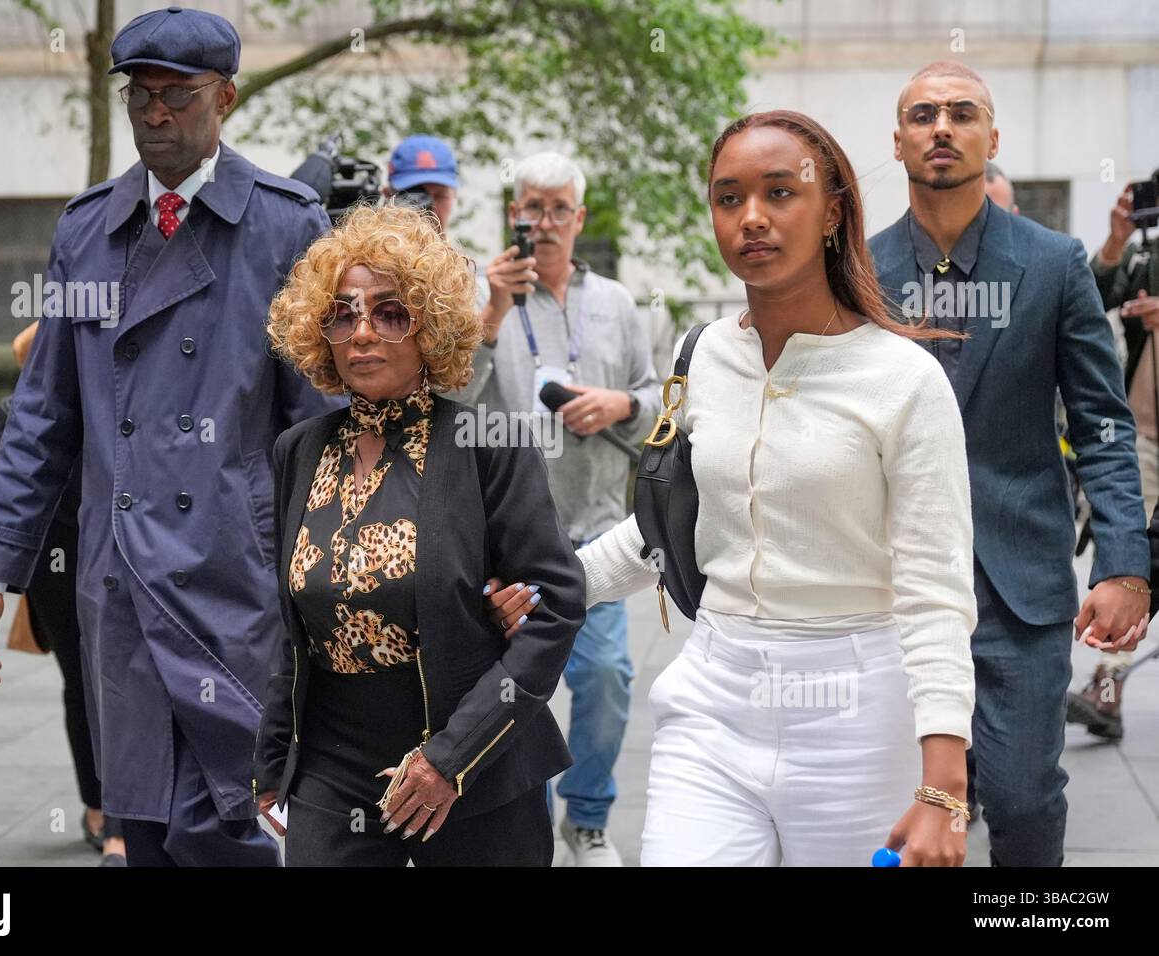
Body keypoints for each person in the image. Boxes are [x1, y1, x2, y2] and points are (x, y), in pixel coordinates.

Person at [529, 109, 973, 866]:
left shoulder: (904, 380)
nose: (752, 218)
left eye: (779, 193)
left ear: (832, 212)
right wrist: (547, 590)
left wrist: (943, 786)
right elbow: (671, 525)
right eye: (729, 198)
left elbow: (936, 589)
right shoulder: (701, 354)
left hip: (857, 716)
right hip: (714, 700)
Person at [0, 6, 334, 867]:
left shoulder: (286, 226)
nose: (156, 116)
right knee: (147, 824)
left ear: (226, 99)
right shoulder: (87, 231)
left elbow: (318, 428)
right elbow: (43, 414)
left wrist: (333, 579)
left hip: (235, 581)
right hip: (120, 584)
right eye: (141, 97)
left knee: (232, 823)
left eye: (178, 96)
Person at [869, 60, 1152, 866]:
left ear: (993, 135)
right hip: (887, 583)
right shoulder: (857, 270)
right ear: (899, 142)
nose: (942, 128)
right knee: (906, 806)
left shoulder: (1056, 264)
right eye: (923, 115)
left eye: (963, 113)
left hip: (1019, 584)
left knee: (1023, 798)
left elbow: (1102, 422)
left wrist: (1125, 563)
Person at [254, 203, 585, 865]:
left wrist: (449, 760)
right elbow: (290, 624)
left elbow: (555, 605)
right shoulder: (299, 450)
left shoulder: (487, 443)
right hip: (333, 763)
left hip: (475, 759)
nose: (362, 332)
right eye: (341, 314)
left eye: (389, 312)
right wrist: (271, 758)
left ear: (429, 324)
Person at [453, 151, 659, 865]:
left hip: (599, 524)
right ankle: (531, 824)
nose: (540, 223)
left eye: (554, 209)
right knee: (522, 692)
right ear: (513, 214)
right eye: (528, 208)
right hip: (510, 535)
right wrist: (492, 310)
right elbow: (454, 402)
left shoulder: (618, 304)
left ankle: (590, 816)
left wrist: (622, 404)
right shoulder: (481, 294)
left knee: (605, 676)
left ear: (579, 218)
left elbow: (662, 401)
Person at [0, 321, 125, 866]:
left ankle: (111, 812)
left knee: (97, 680)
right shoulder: (26, 416)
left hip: (91, 559)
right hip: (62, 563)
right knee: (92, 681)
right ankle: (108, 814)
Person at [1068, 170, 1159, 739]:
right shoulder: (1143, 260)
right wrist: (1116, 237)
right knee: (1136, 558)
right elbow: (1091, 297)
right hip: (1145, 430)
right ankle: (1107, 682)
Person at [382, 135, 459, 233]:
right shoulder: (361, 245)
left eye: (440, 196)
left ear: (454, 196)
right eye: (416, 195)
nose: (430, 208)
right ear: (387, 195)